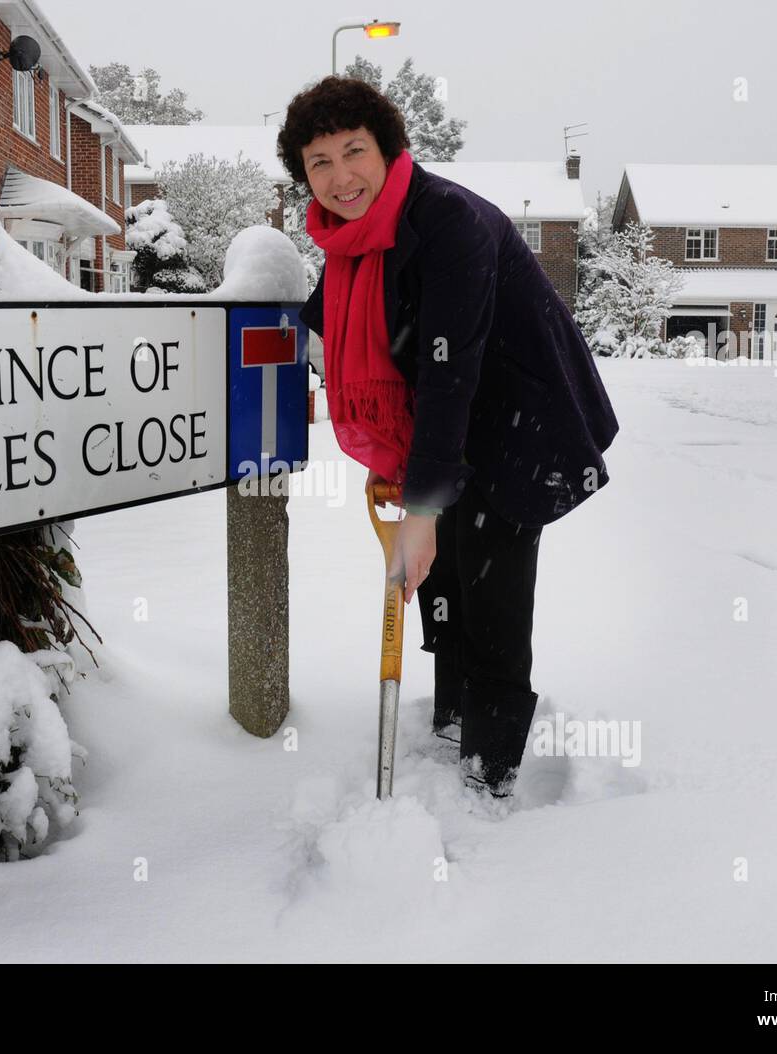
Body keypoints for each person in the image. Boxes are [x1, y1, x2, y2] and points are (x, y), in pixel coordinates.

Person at [279, 76, 619, 800]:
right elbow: (327, 323)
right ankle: (452, 726)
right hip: (447, 427)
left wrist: (422, 509)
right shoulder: (350, 240)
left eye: (354, 151)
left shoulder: (449, 223)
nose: (340, 177)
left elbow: (446, 373)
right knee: (447, 589)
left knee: (490, 595)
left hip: (518, 422)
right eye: (319, 162)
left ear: (389, 148)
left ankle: (488, 779)